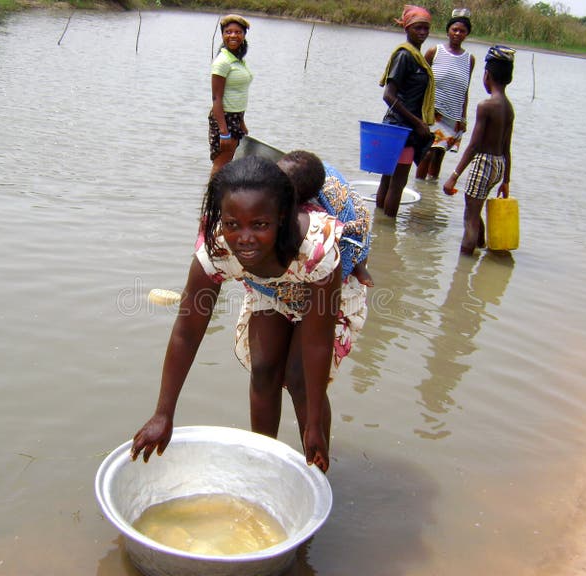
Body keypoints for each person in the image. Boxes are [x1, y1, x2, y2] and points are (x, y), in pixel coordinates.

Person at [131, 156, 368, 473]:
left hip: (315, 286)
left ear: (281, 218)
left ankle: (316, 464)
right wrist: (163, 413)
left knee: (299, 378)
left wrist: (313, 424)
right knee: (265, 367)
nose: (244, 238)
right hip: (267, 287)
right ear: (221, 219)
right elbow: (186, 332)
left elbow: (317, 343)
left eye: (260, 224)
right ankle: (262, 465)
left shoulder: (317, 247)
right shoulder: (217, 249)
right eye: (232, 224)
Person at [443, 45, 515, 256]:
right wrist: (506, 180)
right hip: (499, 164)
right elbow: (507, 147)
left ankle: (464, 265)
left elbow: (474, 146)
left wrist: (454, 176)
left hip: (483, 162)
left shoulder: (486, 106)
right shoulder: (508, 107)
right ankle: (482, 247)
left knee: (470, 217)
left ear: (487, 75)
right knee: (477, 207)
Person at [277, 150, 374, 287]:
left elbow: (346, 233)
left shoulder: (319, 211)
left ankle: (358, 266)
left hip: (353, 222)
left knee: (355, 241)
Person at [375, 4, 435, 218]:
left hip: (402, 128)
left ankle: (381, 225)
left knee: (390, 180)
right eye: (417, 28)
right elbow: (388, 95)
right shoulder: (405, 56)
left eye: (425, 28)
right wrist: (417, 123)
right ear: (407, 28)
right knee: (396, 183)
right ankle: (386, 235)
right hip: (400, 129)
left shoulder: (417, 56)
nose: (422, 33)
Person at [415, 8, 475, 181]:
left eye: (462, 31)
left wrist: (463, 118)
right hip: (432, 113)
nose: (457, 33)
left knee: (439, 154)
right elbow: (420, 81)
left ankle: (431, 186)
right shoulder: (434, 52)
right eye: (454, 30)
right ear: (448, 31)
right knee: (427, 152)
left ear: (467, 34)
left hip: (452, 116)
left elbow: (465, 90)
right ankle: (421, 189)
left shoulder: (469, 59)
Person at [209, 14, 253, 176]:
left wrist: (241, 122)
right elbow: (216, 98)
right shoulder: (222, 62)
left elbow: (238, 93)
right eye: (228, 32)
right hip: (224, 119)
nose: (233, 35)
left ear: (243, 35)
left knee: (226, 164)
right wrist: (224, 132)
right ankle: (212, 200)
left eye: (237, 32)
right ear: (222, 35)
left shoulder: (239, 60)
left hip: (235, 118)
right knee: (221, 165)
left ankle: (218, 198)